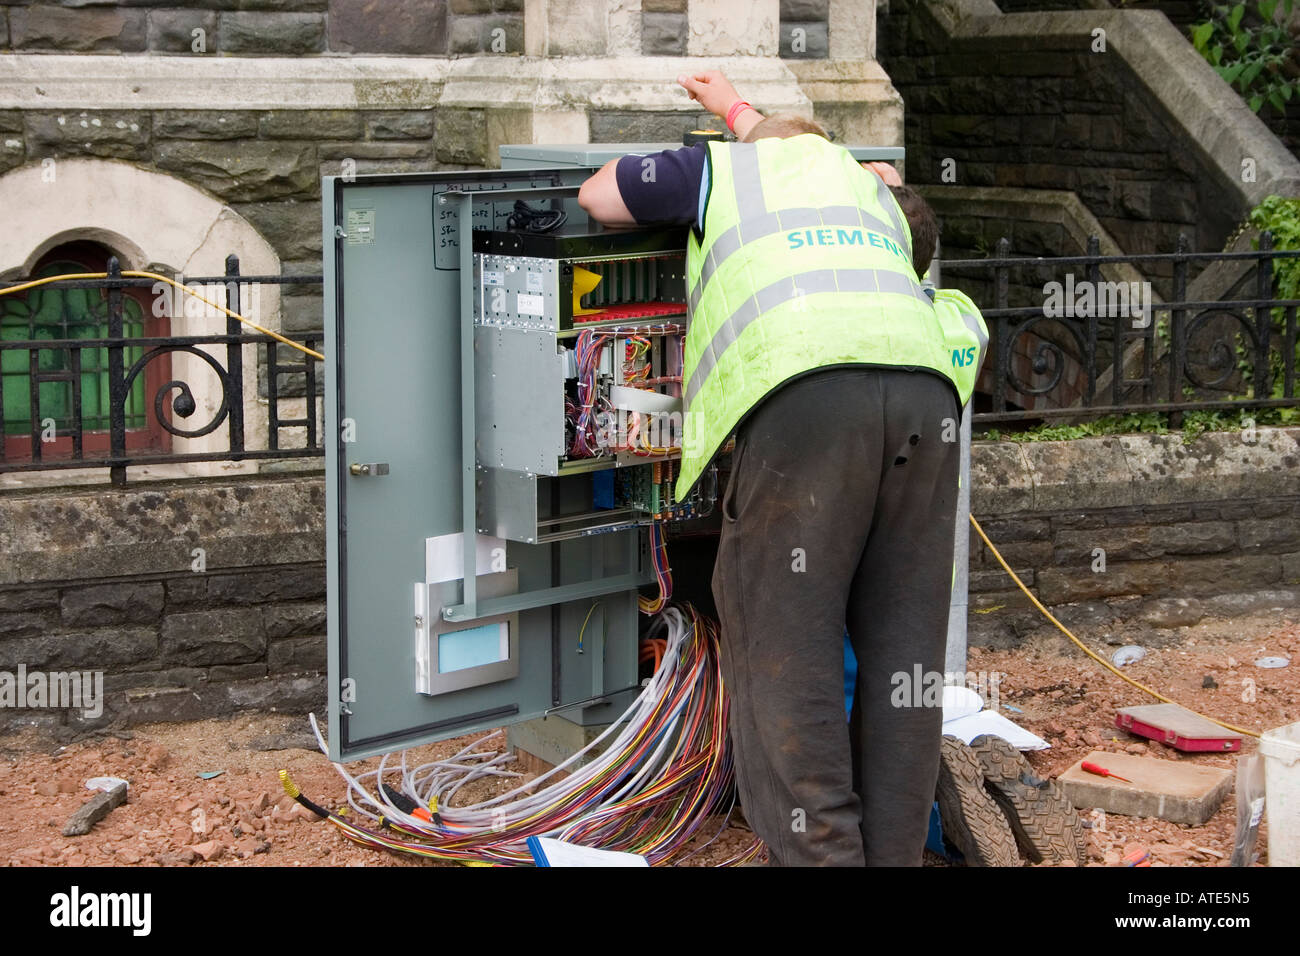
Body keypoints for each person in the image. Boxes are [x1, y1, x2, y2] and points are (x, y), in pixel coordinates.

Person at [578, 70, 983, 866]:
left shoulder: (718, 171)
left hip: (804, 396)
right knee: (905, 653)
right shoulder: (864, 184)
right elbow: (791, 143)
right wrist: (736, 107)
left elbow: (597, 198)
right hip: (923, 395)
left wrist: (720, 142)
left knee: (786, 644)